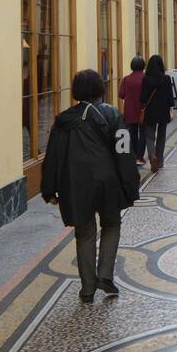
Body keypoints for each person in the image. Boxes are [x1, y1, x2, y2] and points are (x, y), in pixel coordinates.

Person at [41, 69, 137, 303]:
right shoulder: (112, 114)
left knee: (84, 233)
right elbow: (124, 151)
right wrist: (130, 183)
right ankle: (105, 275)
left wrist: (49, 189)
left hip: (75, 184)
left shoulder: (63, 120)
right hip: (107, 182)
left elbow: (52, 156)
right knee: (111, 224)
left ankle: (87, 288)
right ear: (99, 89)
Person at [140, 54, 175, 172]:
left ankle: (152, 156)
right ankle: (159, 160)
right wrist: (171, 109)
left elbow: (143, 98)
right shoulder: (166, 79)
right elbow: (170, 97)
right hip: (163, 111)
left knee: (149, 136)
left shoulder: (146, 79)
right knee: (161, 135)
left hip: (150, 111)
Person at [119, 55, 147, 165]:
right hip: (143, 110)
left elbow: (121, 94)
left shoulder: (126, 79)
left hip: (130, 110)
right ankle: (140, 156)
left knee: (133, 133)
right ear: (143, 65)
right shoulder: (146, 78)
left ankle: (134, 154)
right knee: (143, 133)